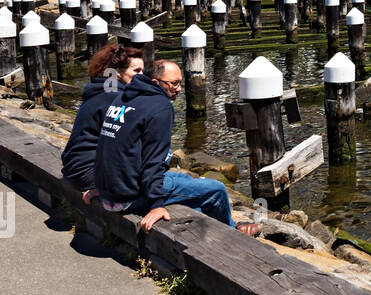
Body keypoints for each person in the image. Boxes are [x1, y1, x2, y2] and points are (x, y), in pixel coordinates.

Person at [94, 60, 259, 235]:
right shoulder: (160, 107)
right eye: (174, 84)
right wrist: (156, 206)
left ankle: (213, 224)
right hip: (128, 197)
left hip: (108, 192)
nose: (179, 89)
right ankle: (232, 235)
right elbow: (153, 162)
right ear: (156, 83)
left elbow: (106, 146)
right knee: (216, 190)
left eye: (180, 83)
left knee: (188, 181)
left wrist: (99, 185)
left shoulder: (122, 97)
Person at [61, 45, 145, 202]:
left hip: (75, 168)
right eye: (136, 71)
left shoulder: (100, 92)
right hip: (88, 173)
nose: (142, 75)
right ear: (117, 73)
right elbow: (126, 146)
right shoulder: (116, 99)